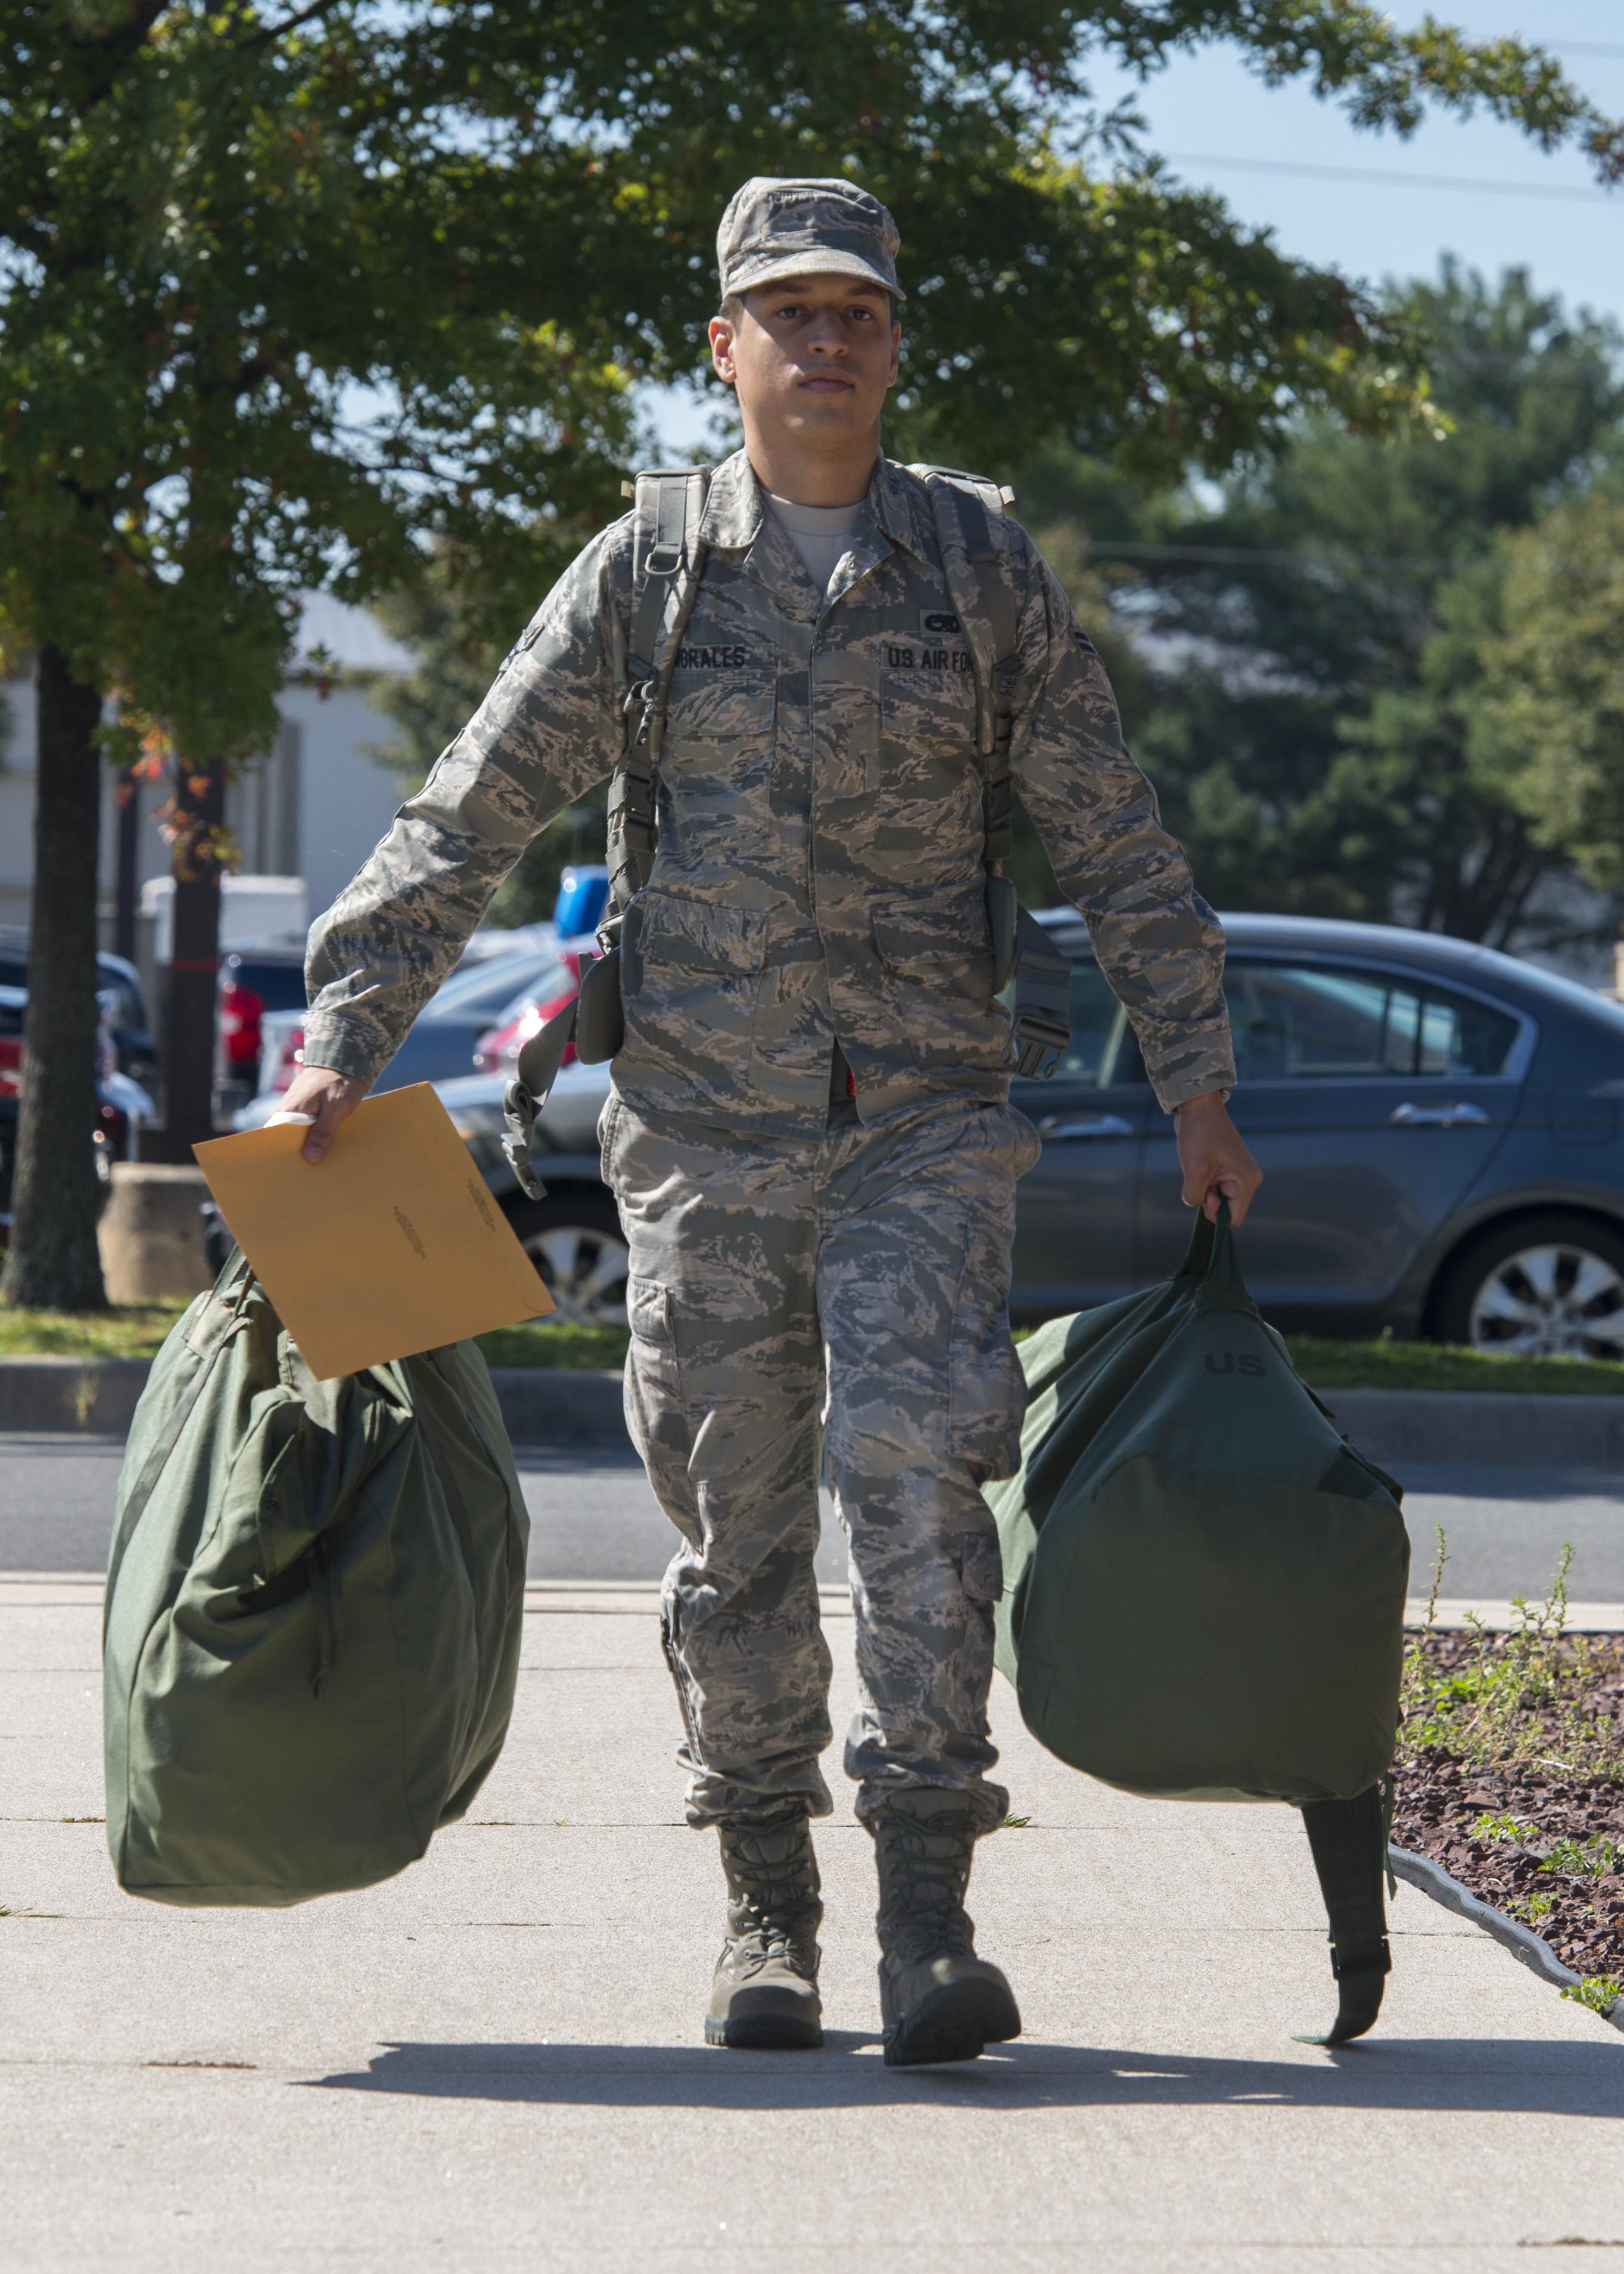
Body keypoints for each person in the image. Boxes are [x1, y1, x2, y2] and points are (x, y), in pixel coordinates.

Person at [284, 176, 1262, 2067]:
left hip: (924, 1116)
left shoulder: (980, 567)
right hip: (703, 1125)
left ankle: (927, 1911)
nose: (825, 339)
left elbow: (1117, 831)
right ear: (721, 344)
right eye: (786, 311)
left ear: (898, 346)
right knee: (732, 1522)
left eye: (859, 313)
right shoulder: (645, 574)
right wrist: (347, 1032)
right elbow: (471, 808)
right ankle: (765, 1902)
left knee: (911, 1464)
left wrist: (1195, 1078)